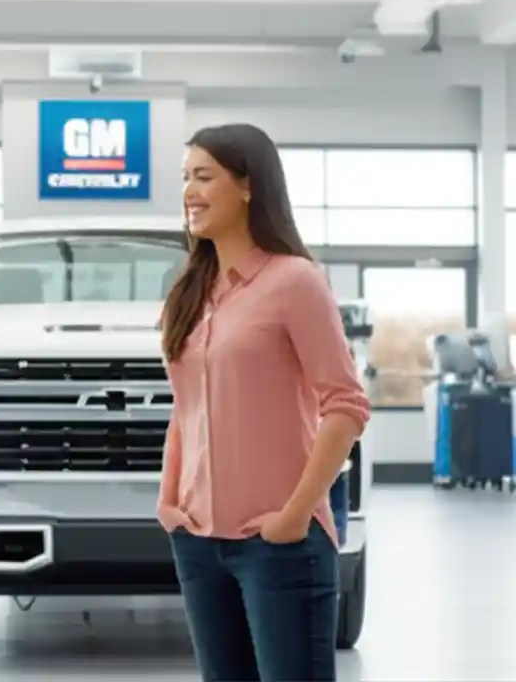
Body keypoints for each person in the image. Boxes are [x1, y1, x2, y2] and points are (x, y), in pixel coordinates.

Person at [157, 123, 371, 682]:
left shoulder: (296, 282)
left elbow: (346, 405)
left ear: (249, 185)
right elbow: (185, 409)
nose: (190, 192)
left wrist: (295, 515)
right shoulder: (188, 294)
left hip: (278, 543)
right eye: (185, 178)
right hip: (197, 540)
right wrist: (170, 503)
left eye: (205, 177)